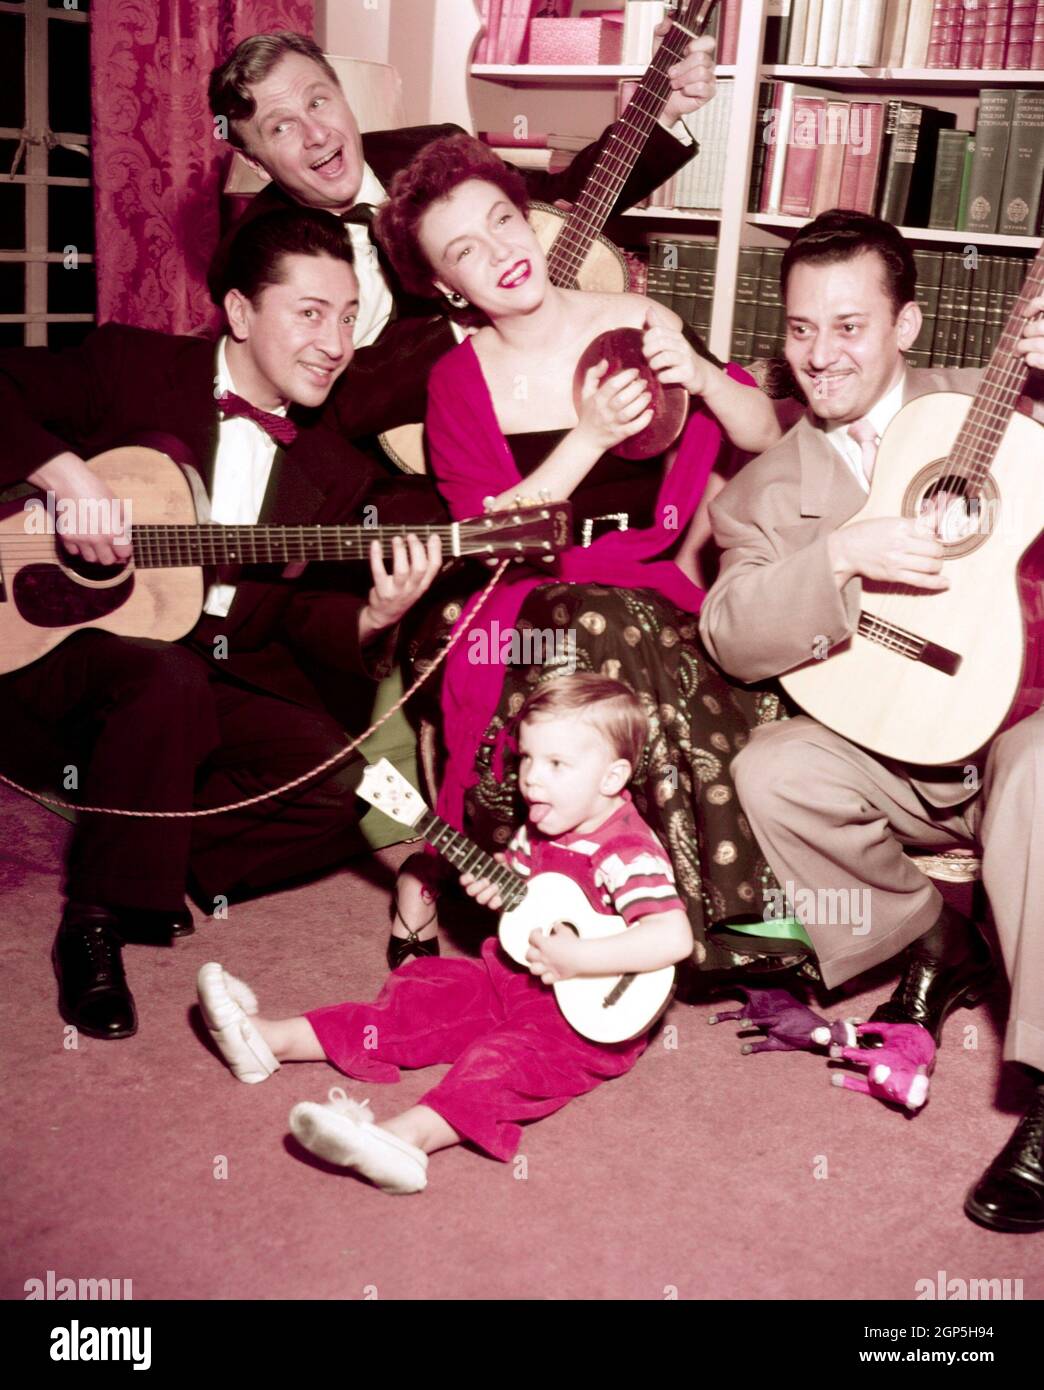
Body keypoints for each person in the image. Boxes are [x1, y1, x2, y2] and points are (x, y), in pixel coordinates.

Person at [0, 207, 441, 1041]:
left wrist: (374, 618)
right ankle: (91, 925)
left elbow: (306, 617)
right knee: (160, 677)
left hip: (200, 671)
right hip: (51, 644)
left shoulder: (333, 470)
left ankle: (147, 849)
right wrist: (64, 478)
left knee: (335, 779)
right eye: (309, 313)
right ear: (239, 314)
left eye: (348, 317)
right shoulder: (134, 366)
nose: (335, 341)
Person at [370, 132, 796, 977]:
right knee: (591, 622)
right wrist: (591, 435)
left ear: (531, 217)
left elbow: (767, 437)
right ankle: (602, 905)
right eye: (465, 251)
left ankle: (687, 914)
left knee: (624, 626)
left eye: (503, 220)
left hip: (647, 581)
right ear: (443, 286)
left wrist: (709, 380)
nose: (499, 250)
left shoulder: (637, 322)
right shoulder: (458, 382)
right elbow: (497, 534)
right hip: (510, 599)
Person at [698, 209, 1044, 1233]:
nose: (820, 355)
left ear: (908, 325)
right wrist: (843, 555)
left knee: (1041, 776)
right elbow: (732, 634)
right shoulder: (764, 488)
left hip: (1019, 718)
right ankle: (932, 932)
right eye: (801, 329)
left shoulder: (1004, 406)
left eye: (849, 326)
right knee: (772, 768)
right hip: (888, 742)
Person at [196, 674, 694, 1194]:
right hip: (515, 977)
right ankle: (271, 1039)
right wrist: (502, 884)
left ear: (613, 777)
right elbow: (538, 892)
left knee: (502, 1064)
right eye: (526, 759)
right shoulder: (547, 819)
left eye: (555, 765)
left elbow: (672, 937)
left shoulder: (627, 853)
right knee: (424, 993)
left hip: (588, 1021)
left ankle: (404, 1140)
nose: (531, 780)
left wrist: (579, 958)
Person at [207, 28, 717, 451]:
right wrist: (459, 326)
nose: (316, 134)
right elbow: (331, 405)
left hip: (526, 401)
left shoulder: (432, 148)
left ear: (343, 96)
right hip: (393, 460)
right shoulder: (258, 253)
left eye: (319, 101)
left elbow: (552, 204)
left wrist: (659, 114)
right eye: (281, 128)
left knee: (680, 415)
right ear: (254, 162)